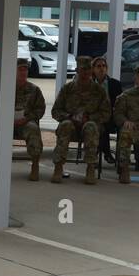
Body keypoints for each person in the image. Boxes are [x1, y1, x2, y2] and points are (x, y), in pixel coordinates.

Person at [50, 56, 109, 185]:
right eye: (83, 70)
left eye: (88, 70)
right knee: (65, 125)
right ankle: (58, 167)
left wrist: (90, 118)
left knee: (91, 127)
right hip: (71, 124)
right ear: (77, 70)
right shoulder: (68, 89)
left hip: (90, 125)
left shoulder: (99, 90)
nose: (85, 73)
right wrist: (69, 117)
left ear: (91, 71)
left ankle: (90, 168)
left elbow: (106, 113)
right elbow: (56, 111)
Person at [11, 59, 46, 181]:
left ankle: (35, 165)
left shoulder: (34, 89)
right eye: (20, 69)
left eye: (25, 69)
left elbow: (40, 109)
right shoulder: (7, 88)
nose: (23, 72)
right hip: (8, 122)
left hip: (25, 123)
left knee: (33, 129)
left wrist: (26, 119)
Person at [91, 56, 123, 165]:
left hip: (111, 116)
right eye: (98, 66)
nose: (101, 69)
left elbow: (120, 104)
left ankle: (99, 153)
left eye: (104, 66)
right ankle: (106, 153)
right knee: (100, 125)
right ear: (93, 69)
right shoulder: (89, 84)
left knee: (104, 124)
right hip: (94, 116)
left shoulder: (115, 84)